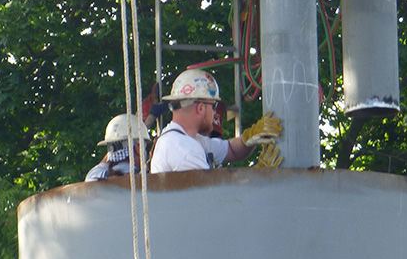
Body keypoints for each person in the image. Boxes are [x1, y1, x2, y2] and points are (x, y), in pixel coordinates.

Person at [149, 69, 282, 173]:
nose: (214, 112)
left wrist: (250, 138)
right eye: (214, 106)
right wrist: (260, 177)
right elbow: (213, 197)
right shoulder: (183, 148)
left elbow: (231, 150)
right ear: (201, 108)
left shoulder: (188, 140)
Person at [85, 113, 151, 182]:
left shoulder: (95, 177)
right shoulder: (144, 178)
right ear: (138, 147)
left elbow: (96, 171)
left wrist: (114, 149)